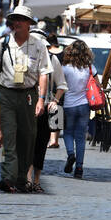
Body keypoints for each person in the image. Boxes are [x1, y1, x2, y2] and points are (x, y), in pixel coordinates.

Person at [0, 4, 51, 193]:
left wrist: (41, 100)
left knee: (28, 137)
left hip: (28, 94)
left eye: (21, 19)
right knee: (9, 136)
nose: (17, 23)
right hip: (6, 93)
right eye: (14, 19)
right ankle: (8, 178)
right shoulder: (2, 44)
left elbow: (44, 73)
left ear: (29, 24)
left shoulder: (39, 45)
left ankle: (20, 179)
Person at [31, 32, 67, 192]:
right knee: (26, 145)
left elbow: (62, 84)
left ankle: (36, 180)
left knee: (40, 145)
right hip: (26, 108)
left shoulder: (52, 61)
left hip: (44, 109)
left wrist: (55, 101)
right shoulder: (24, 60)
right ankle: (26, 178)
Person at [61, 39, 96, 180]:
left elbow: (60, 86)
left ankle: (71, 154)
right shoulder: (90, 68)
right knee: (81, 137)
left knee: (68, 133)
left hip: (69, 104)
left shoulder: (65, 68)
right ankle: (79, 168)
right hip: (84, 104)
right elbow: (97, 85)